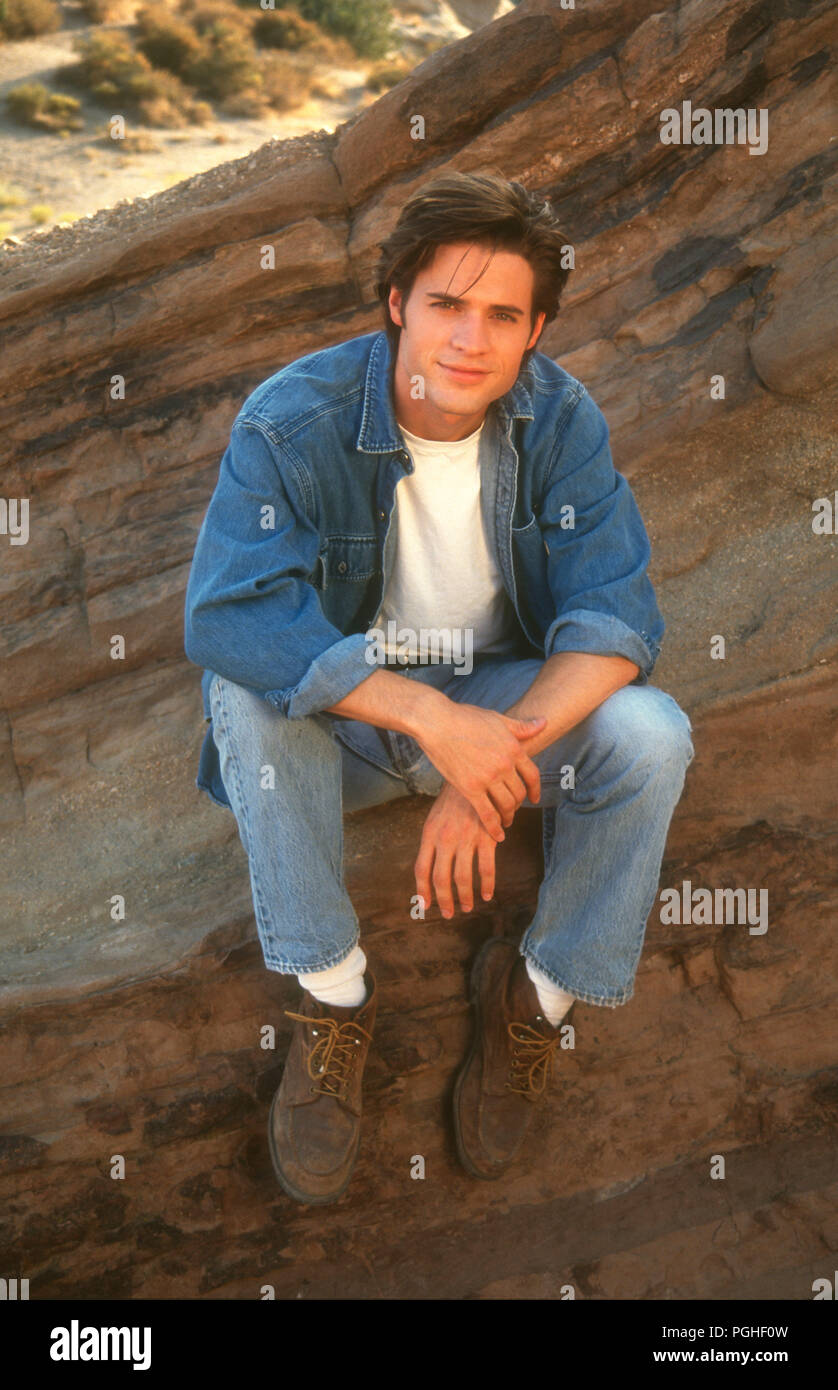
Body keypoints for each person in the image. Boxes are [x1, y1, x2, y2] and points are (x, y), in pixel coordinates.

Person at [183, 171, 694, 1205]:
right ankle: (333, 996)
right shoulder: (293, 418)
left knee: (651, 733)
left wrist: (485, 756)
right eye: (445, 304)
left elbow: (617, 617)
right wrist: (429, 718)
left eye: (501, 315)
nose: (470, 339)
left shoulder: (559, 419)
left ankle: (535, 997)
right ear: (395, 303)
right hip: (357, 721)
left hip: (502, 700)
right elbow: (228, 614)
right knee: (243, 687)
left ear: (535, 329)